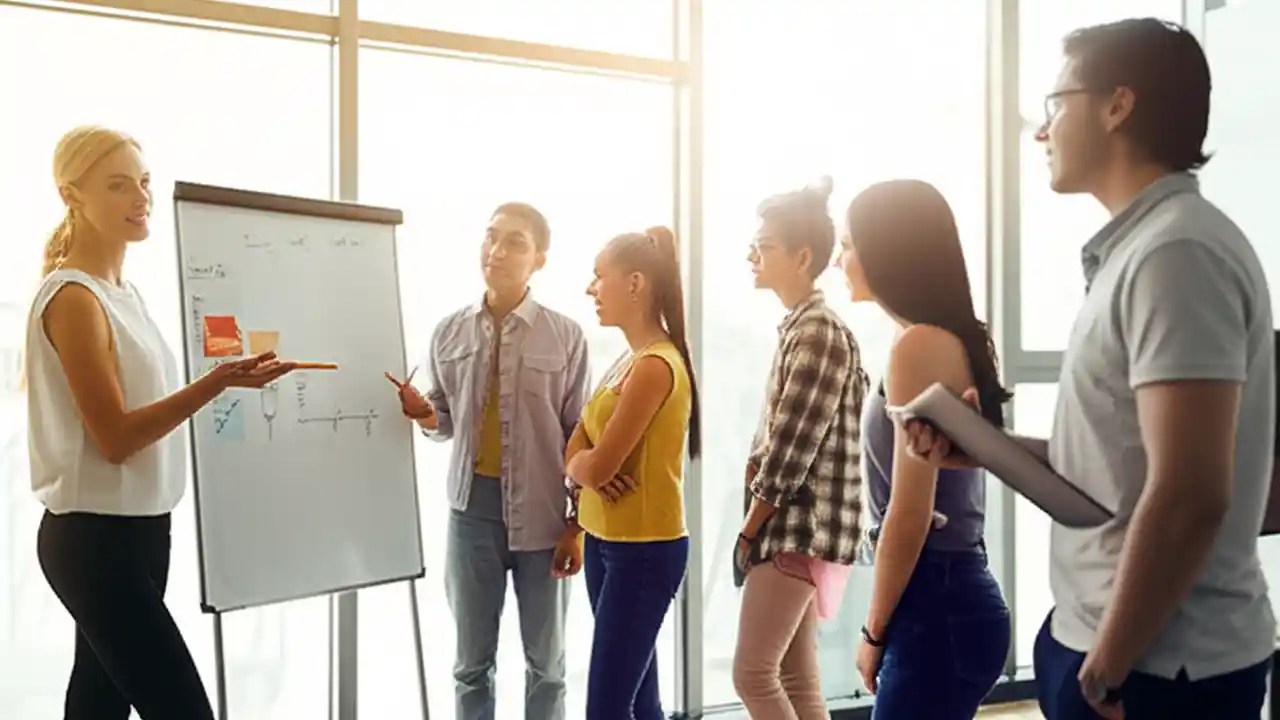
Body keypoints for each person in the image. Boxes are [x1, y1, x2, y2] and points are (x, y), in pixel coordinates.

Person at [907, 18, 1275, 720]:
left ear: (1118, 105)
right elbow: (1120, 471)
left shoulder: (1177, 255)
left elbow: (1192, 494)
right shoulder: (1141, 252)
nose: (1040, 131)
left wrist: (1108, 665)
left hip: (1160, 665)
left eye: (1055, 103)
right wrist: (984, 448)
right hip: (1106, 641)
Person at [26, 125, 294, 720]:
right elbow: (116, 438)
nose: (141, 198)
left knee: (97, 705)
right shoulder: (74, 298)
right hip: (94, 541)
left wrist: (222, 381)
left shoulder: (125, 294)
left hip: (143, 532)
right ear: (74, 197)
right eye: (118, 186)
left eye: (143, 182)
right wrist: (217, 382)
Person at [387, 202, 589, 720]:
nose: (497, 251)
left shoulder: (566, 336)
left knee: (547, 666)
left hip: (543, 515)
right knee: (470, 665)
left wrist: (577, 525)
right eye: (491, 237)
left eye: (515, 242)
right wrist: (424, 413)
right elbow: (446, 422)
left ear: (539, 259)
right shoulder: (448, 333)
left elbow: (579, 438)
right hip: (470, 513)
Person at [840, 179, 1012, 718]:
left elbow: (910, 513)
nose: (839, 260)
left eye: (848, 245)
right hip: (953, 595)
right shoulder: (944, 337)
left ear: (887, 252)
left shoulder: (919, 344)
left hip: (936, 602)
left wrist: (873, 631)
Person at [730, 180, 865, 719]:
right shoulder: (802, 327)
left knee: (752, 676)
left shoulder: (818, 332)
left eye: (764, 245)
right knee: (794, 678)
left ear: (803, 256)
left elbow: (789, 454)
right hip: (800, 529)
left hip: (795, 528)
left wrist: (748, 528)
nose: (751, 254)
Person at [558, 225, 698, 720]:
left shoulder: (654, 366)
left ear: (635, 282)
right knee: (640, 702)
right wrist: (583, 465)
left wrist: (582, 466)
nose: (591, 289)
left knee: (608, 708)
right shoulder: (627, 360)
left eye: (600, 277)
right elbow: (579, 442)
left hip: (642, 553)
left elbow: (593, 461)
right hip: (605, 541)